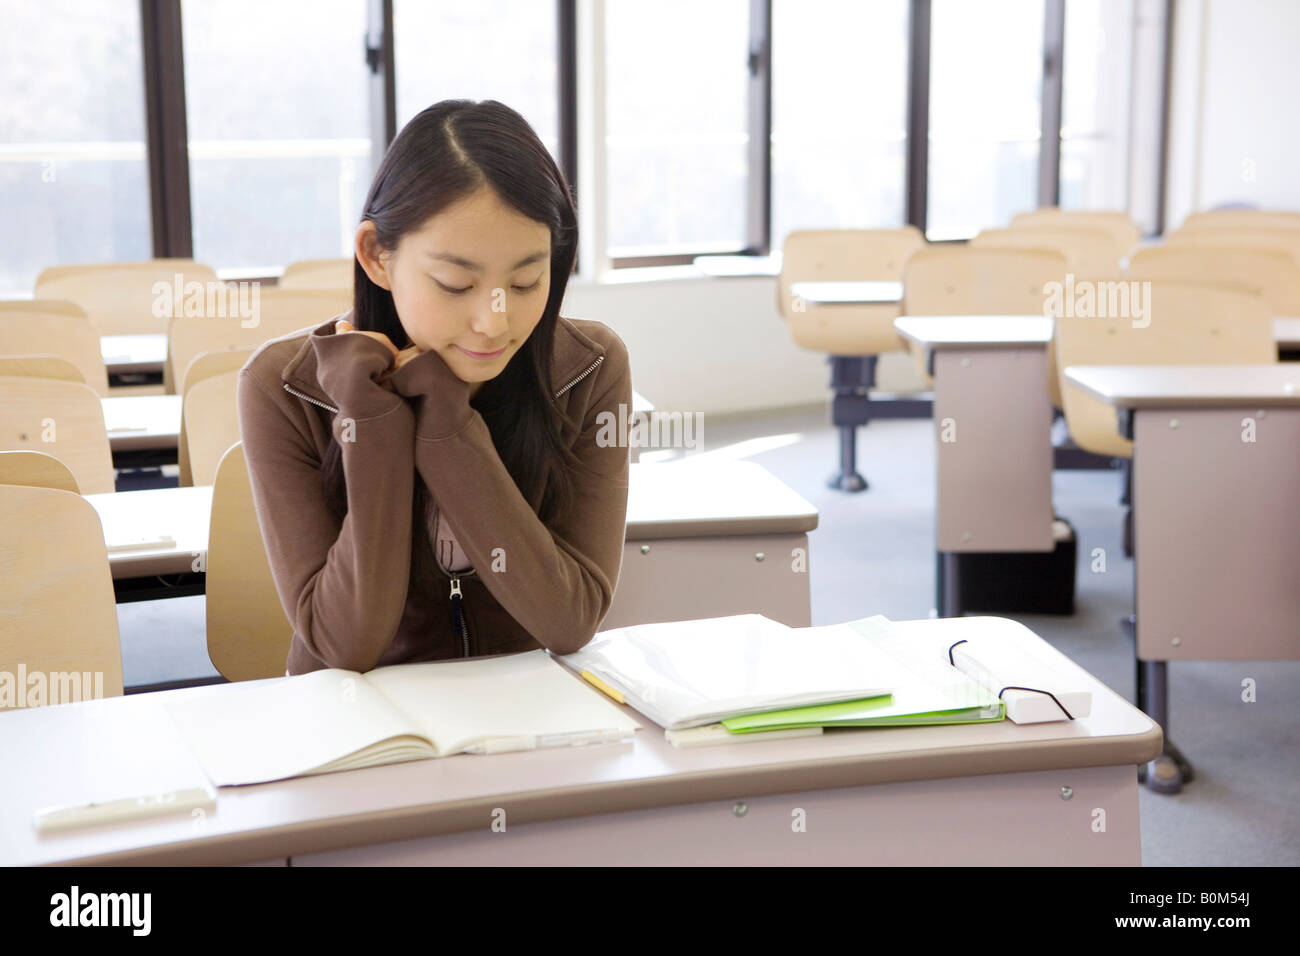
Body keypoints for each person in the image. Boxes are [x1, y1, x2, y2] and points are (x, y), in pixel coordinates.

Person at [237, 100, 632, 675]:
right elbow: (346, 644)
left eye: (526, 282)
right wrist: (373, 421)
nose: (493, 322)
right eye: (454, 284)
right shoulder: (284, 387)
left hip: (527, 719)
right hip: (359, 734)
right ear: (377, 256)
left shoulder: (589, 368)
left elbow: (568, 620)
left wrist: (448, 425)